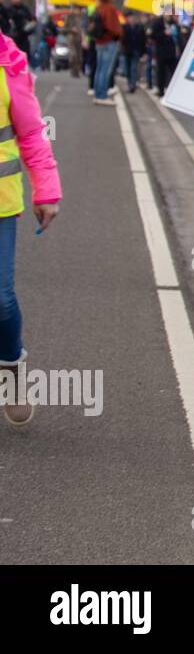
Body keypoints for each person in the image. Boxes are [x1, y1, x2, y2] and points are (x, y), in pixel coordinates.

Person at [0, 28, 61, 427]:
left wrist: (47, 190)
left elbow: (31, 132)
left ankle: (10, 365)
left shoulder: (8, 62)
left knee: (1, 300)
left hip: (0, 203)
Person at [89, 0, 122, 106]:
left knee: (99, 69)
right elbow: (112, 26)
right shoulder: (109, 8)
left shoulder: (97, 8)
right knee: (106, 70)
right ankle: (102, 95)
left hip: (99, 42)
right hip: (109, 41)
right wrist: (119, 34)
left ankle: (97, 93)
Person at [150, 8, 181, 95]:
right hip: (161, 51)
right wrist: (164, 33)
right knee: (161, 72)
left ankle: (172, 90)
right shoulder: (157, 22)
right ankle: (161, 91)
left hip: (171, 52)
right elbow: (153, 36)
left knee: (173, 71)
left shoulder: (173, 23)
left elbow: (177, 37)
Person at [121, 12, 147, 94]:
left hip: (136, 50)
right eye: (129, 18)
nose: (131, 19)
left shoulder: (139, 27)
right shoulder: (124, 27)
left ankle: (132, 84)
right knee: (128, 68)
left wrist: (143, 52)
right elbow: (122, 39)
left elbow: (143, 40)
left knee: (133, 68)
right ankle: (130, 83)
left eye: (132, 17)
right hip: (127, 51)